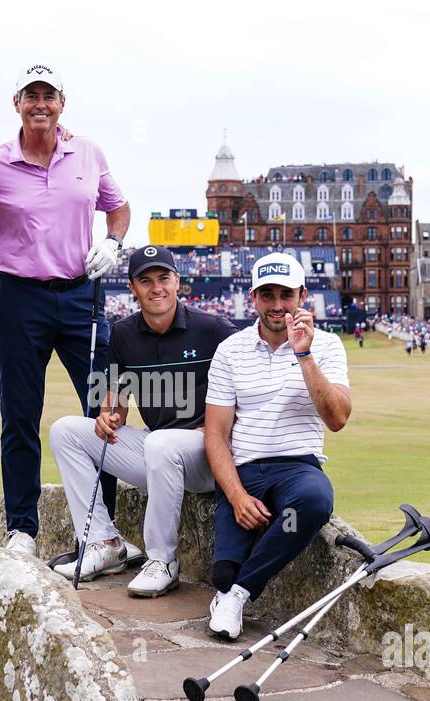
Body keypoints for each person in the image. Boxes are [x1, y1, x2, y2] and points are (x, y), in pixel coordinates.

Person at [0, 63, 131, 555]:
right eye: (31, 95)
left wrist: (114, 241)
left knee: (102, 408)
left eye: (48, 95)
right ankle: (22, 528)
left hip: (81, 292)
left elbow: (119, 206)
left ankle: (102, 532)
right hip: (19, 296)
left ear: (61, 103)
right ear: (16, 103)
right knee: (19, 414)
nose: (40, 103)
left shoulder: (87, 152)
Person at [48, 246, 238, 596]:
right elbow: (116, 401)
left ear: (177, 281)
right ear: (133, 288)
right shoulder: (122, 333)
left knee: (159, 441)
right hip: (157, 454)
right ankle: (104, 543)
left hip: (208, 457)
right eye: (145, 281)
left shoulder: (213, 329)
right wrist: (109, 416)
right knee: (65, 431)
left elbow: (252, 384)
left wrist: (217, 429)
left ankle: (162, 560)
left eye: (163, 278)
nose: (156, 288)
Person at [203, 253, 352, 640]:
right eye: (267, 295)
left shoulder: (328, 346)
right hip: (246, 470)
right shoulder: (231, 350)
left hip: (297, 468)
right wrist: (236, 496)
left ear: (302, 295)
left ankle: (238, 595)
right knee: (223, 569)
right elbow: (216, 434)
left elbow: (337, 418)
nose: (277, 305)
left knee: (314, 502)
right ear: (253, 298)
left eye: (286, 294)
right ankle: (231, 584)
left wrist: (304, 354)